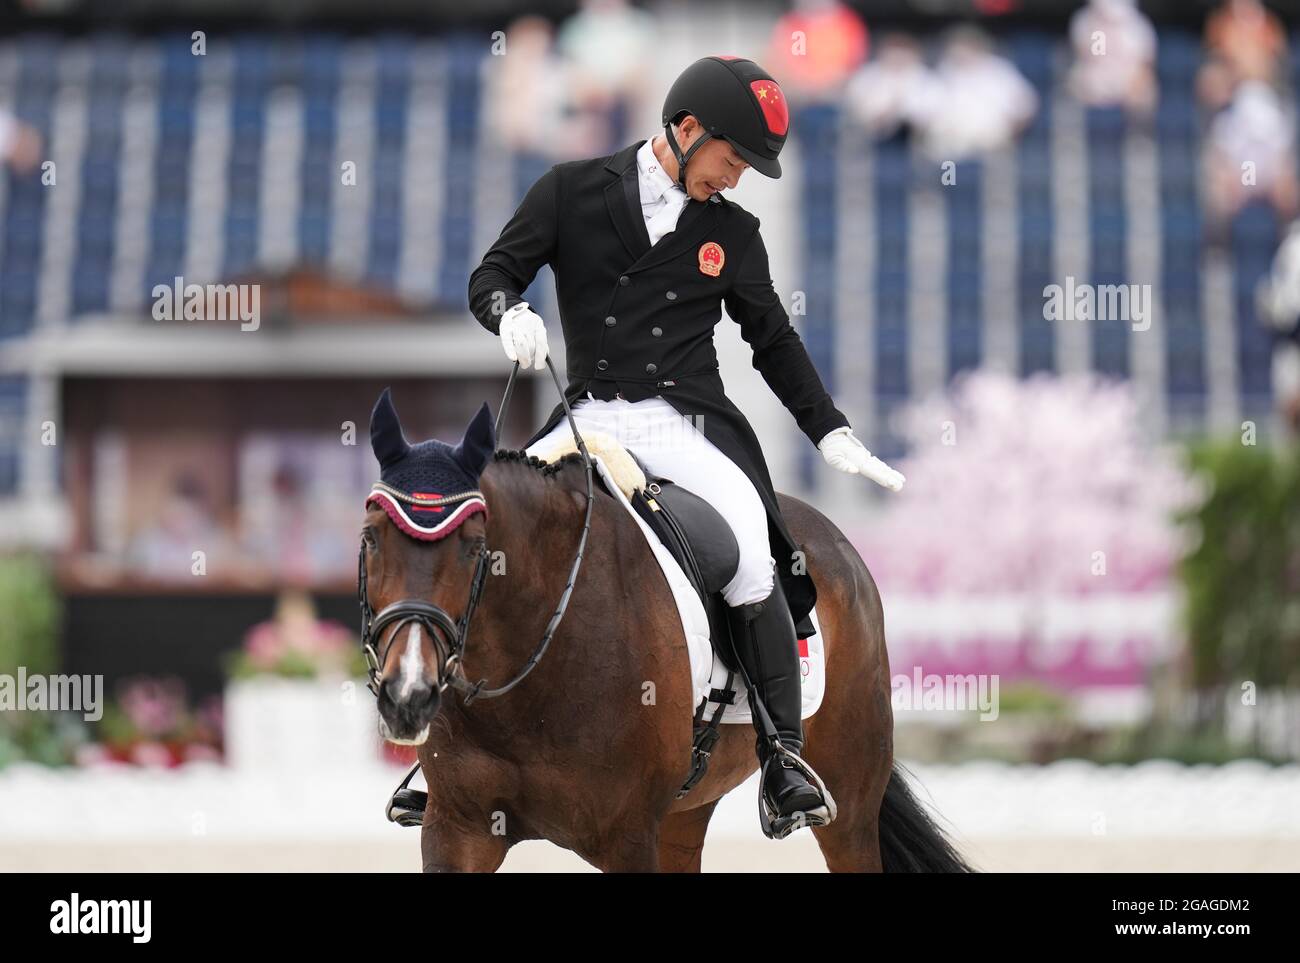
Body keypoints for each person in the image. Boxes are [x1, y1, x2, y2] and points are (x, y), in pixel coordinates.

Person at [467, 55, 904, 837]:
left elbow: (772, 339)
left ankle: (782, 756)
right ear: (688, 129)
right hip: (589, 412)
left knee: (747, 547)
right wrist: (508, 314)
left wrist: (830, 427)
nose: (734, 180)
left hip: (684, 420)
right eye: (732, 160)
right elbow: (495, 270)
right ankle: (451, 742)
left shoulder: (733, 233)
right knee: (495, 530)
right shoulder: (571, 189)